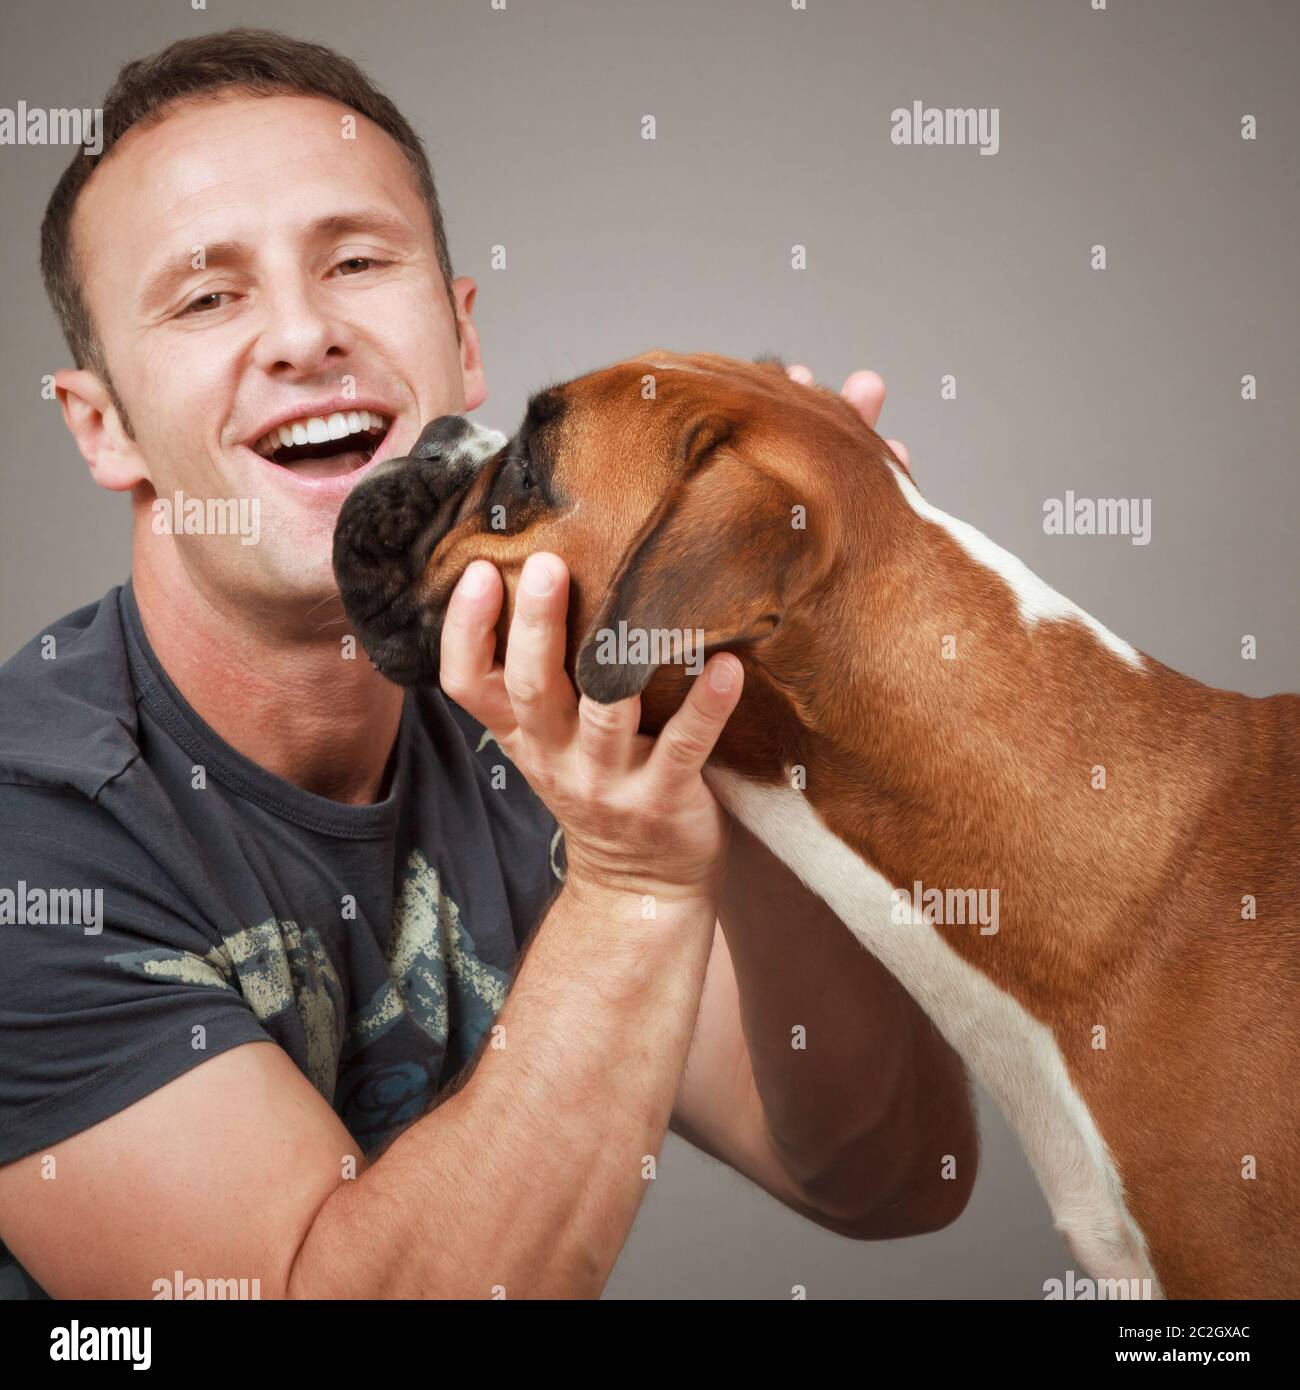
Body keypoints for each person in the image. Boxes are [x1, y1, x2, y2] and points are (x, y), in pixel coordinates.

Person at [0, 28, 976, 1299]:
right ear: (103, 423)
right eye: (207, 295)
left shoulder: (553, 702)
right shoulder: (32, 837)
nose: (304, 334)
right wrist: (630, 888)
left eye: (355, 260)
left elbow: (896, 1179)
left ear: (463, 341)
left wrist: (766, 722)